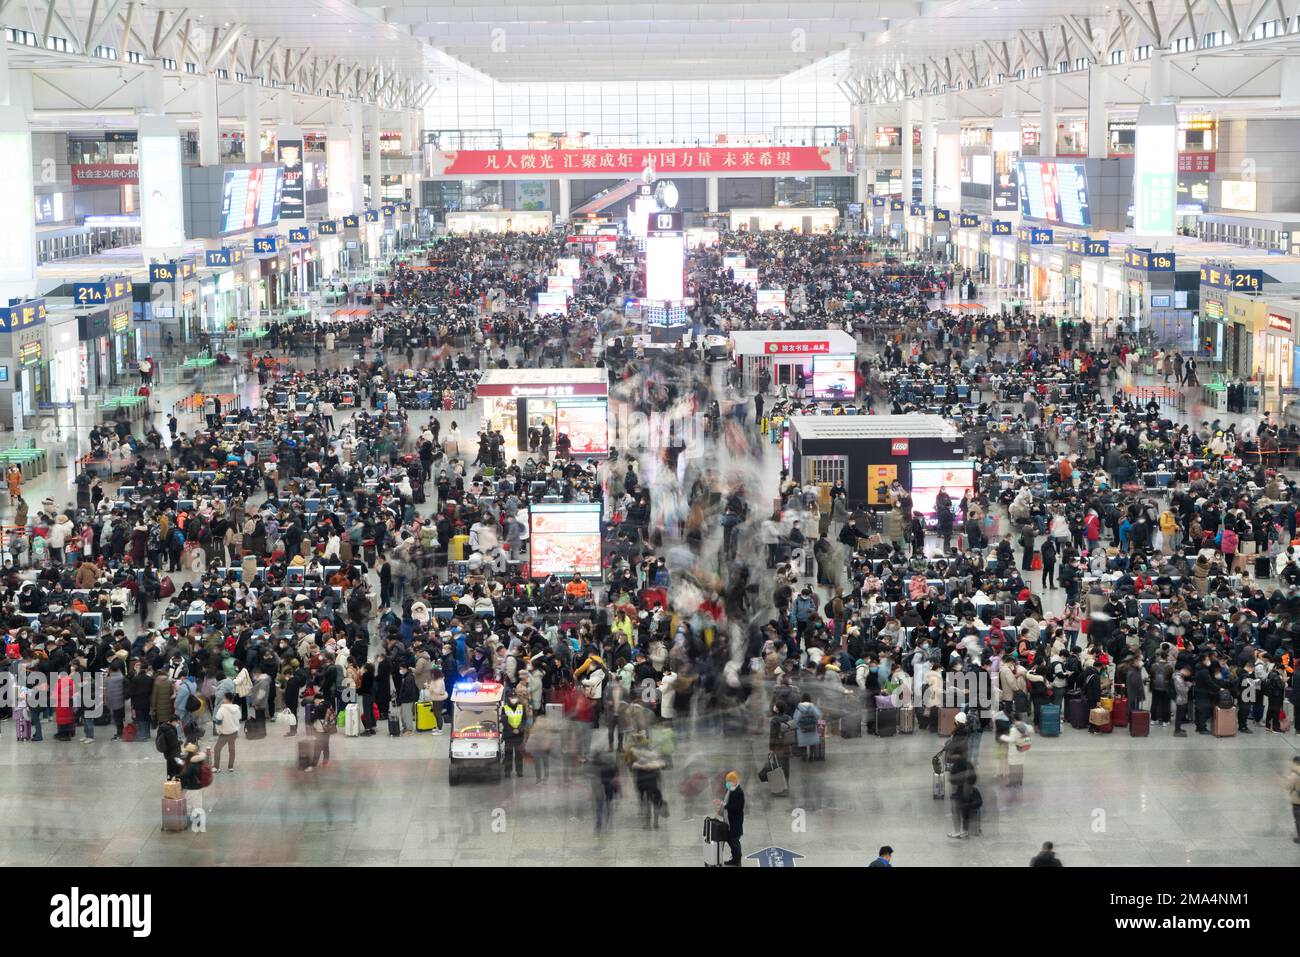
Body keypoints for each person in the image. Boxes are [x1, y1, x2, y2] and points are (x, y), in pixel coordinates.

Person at [720, 770, 745, 866]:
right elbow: (726, 800)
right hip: (728, 820)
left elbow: (737, 807)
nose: (727, 783)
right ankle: (734, 858)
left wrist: (725, 805)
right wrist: (722, 804)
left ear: (734, 781)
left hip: (735, 822)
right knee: (730, 840)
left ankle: (737, 860)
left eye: (729, 781)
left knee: (734, 841)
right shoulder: (730, 789)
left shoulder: (739, 792)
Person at [212, 692, 241, 773]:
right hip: (234, 732)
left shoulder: (221, 709)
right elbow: (239, 718)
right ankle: (230, 767)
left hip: (224, 733)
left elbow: (218, 722)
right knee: (232, 749)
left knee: (217, 749)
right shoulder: (237, 708)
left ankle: (216, 767)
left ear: (225, 698)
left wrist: (219, 730)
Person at [501, 689, 527, 777]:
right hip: (509, 735)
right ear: (508, 698)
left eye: (515, 697)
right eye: (511, 697)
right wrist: (512, 730)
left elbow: (524, 719)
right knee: (508, 754)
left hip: (519, 735)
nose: (513, 699)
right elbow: (504, 721)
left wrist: (519, 729)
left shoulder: (521, 707)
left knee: (519, 754)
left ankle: (519, 771)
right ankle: (507, 772)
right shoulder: (505, 708)